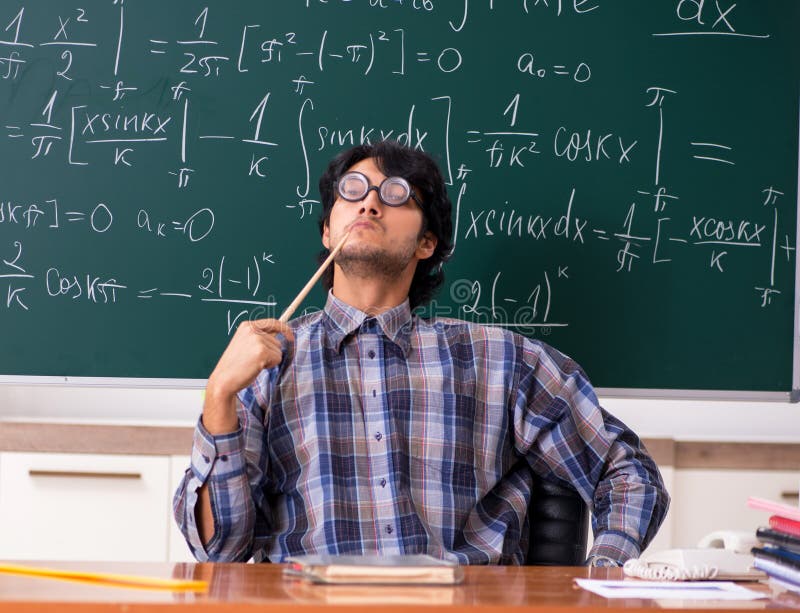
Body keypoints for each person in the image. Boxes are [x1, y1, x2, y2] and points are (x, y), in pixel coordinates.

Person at [173, 140, 669, 566]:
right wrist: (219, 396)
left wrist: (601, 577)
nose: (369, 205)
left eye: (394, 195)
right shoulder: (264, 365)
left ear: (427, 242)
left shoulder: (502, 362)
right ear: (328, 231)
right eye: (353, 191)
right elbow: (219, 550)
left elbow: (627, 471)